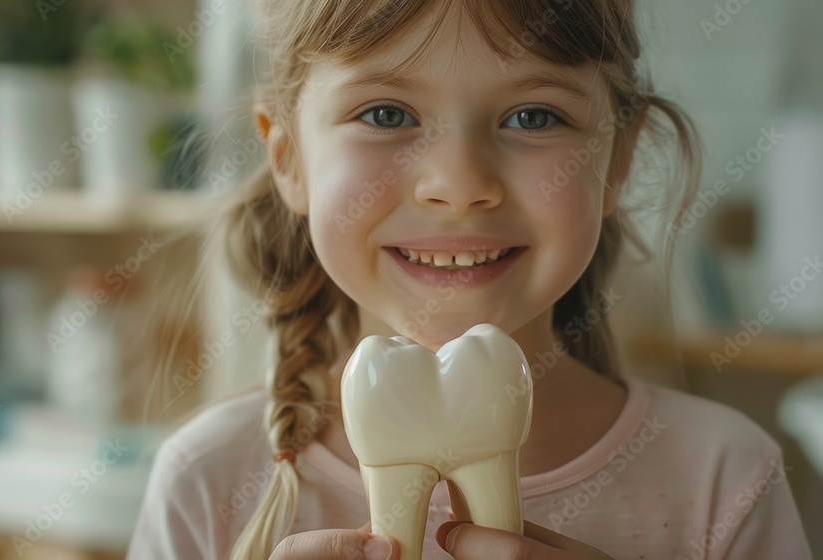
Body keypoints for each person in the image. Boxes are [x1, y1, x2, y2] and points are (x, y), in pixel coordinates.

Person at [127, 0, 813, 558]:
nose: (459, 186)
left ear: (617, 163)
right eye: (386, 114)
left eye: (533, 116)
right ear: (289, 158)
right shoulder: (206, 479)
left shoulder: (726, 477)